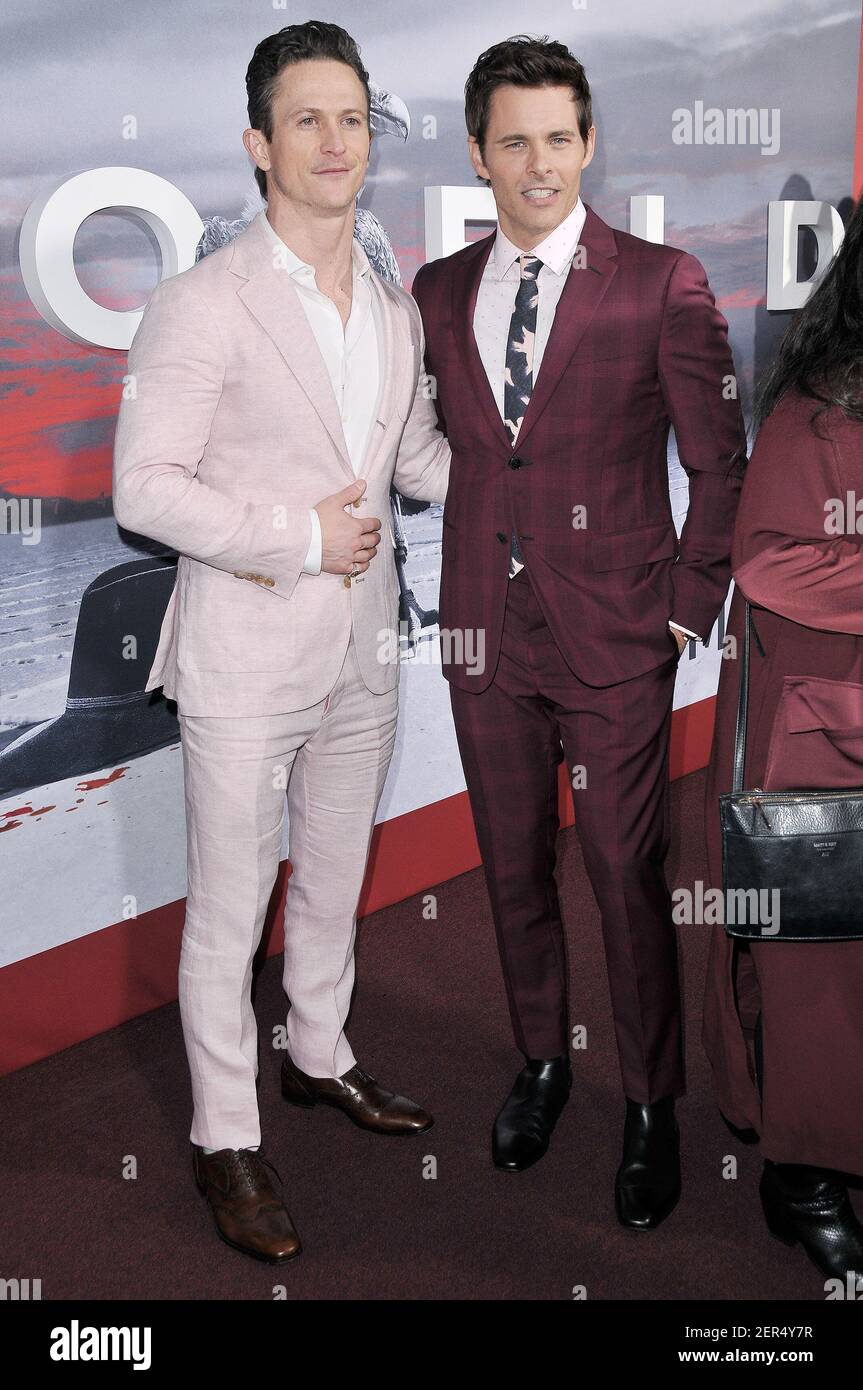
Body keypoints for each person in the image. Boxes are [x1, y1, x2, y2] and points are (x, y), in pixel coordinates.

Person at [112, 20, 450, 1264]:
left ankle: (319, 1054)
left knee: (332, 876)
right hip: (247, 659)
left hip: (364, 653)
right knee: (230, 907)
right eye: (305, 118)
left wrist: (531, 477)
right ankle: (223, 1136)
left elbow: (411, 466)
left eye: (350, 117)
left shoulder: (395, 303)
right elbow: (142, 486)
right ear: (258, 143)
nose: (332, 140)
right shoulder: (199, 300)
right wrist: (299, 537)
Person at [412, 34, 747, 1228]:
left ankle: (650, 1099)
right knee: (510, 871)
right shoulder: (438, 291)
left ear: (587, 142)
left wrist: (679, 608)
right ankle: (541, 1061)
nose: (537, 164)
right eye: (513, 142)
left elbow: (719, 461)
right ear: (478, 153)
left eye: (558, 138)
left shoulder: (661, 281)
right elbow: (454, 455)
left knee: (622, 874)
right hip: (483, 641)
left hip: (614, 640)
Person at [703, 193, 863, 1284]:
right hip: (825, 740)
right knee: (818, 977)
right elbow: (764, 561)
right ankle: (801, 1172)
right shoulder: (814, 406)